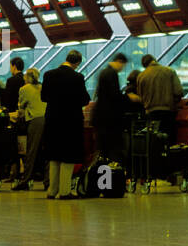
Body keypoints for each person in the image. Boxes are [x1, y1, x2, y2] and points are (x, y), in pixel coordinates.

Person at [41, 51, 89, 199]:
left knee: (54, 155)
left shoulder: (48, 74)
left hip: (52, 120)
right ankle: (64, 191)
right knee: (68, 156)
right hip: (70, 121)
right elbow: (84, 99)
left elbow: (44, 97)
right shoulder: (77, 77)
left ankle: (52, 190)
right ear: (77, 63)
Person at [92, 52, 138, 163]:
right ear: (119, 62)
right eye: (123, 65)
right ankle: (112, 175)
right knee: (113, 150)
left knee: (103, 151)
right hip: (109, 120)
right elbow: (114, 96)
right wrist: (129, 98)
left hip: (101, 118)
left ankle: (104, 177)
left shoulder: (103, 72)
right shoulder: (111, 74)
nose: (122, 68)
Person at [136, 53, 183, 139]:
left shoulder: (141, 76)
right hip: (168, 112)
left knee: (155, 139)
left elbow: (140, 96)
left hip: (151, 113)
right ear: (154, 60)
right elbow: (178, 91)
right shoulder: (169, 71)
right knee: (169, 139)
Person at [15, 67, 47, 190]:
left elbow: (21, 107)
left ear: (26, 77)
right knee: (46, 152)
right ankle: (47, 181)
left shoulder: (24, 89)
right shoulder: (42, 87)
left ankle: (26, 180)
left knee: (31, 152)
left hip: (35, 121)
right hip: (48, 119)